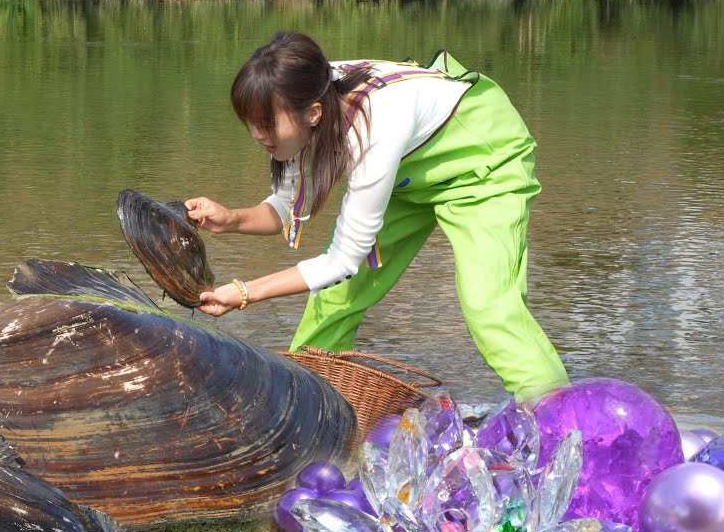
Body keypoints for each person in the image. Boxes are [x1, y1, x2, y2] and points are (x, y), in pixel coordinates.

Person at [184, 31, 569, 402]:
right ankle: (308, 406)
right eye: (250, 122)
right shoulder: (300, 93)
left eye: (265, 124)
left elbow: (343, 261)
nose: (256, 134)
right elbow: (284, 211)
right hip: (408, 176)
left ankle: (563, 420)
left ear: (314, 114)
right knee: (333, 301)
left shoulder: (374, 125)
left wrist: (245, 292)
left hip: (483, 164)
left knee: (489, 306)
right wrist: (230, 219)